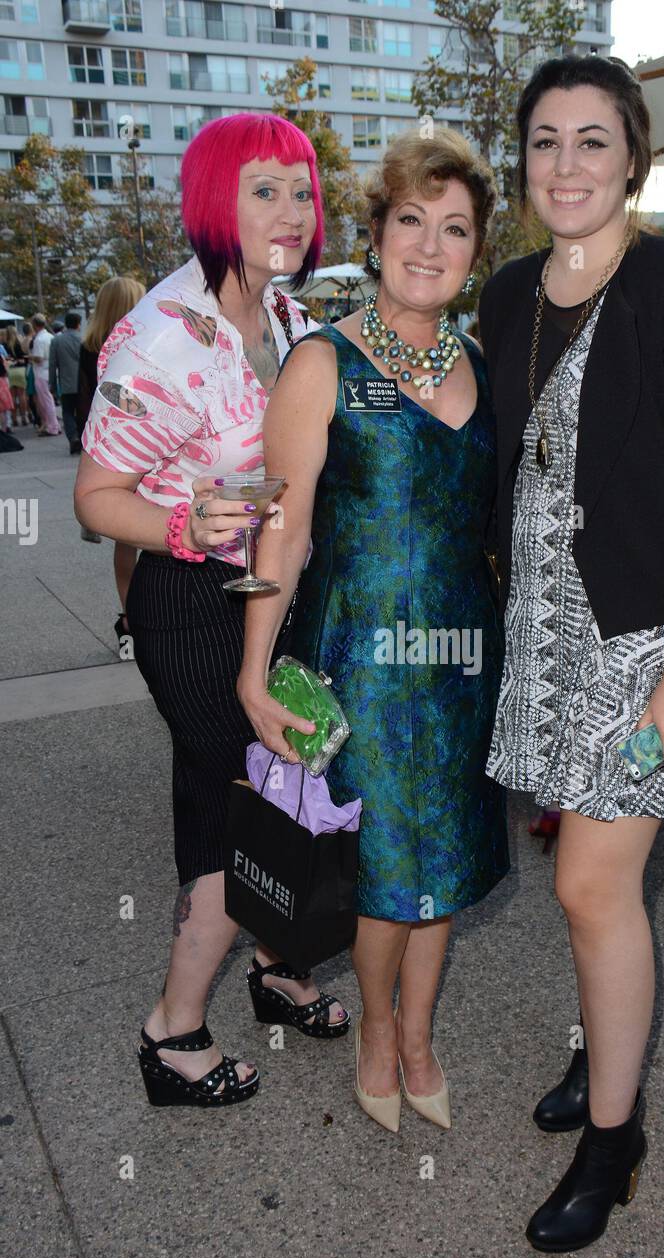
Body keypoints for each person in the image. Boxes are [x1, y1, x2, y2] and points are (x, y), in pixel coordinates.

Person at [479, 55, 664, 1252]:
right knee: (594, 892)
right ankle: (607, 1049)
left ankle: (612, 1138)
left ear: (633, 156)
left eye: (591, 141)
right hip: (547, 633)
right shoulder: (505, 296)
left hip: (651, 638)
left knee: (589, 885)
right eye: (544, 141)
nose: (566, 165)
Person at [74, 112, 350, 1110]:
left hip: (270, 591)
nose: (289, 209)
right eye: (262, 189)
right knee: (240, 801)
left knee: (258, 786)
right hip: (192, 603)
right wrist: (185, 522)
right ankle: (172, 1030)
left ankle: (275, 971)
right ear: (213, 203)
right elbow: (93, 499)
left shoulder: (277, 316)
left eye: (299, 188)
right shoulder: (159, 332)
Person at [238, 128, 509, 1134]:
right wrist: (253, 673)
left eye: (453, 228)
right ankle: (375, 1036)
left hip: (459, 663)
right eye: (410, 221)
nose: (429, 246)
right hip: (358, 657)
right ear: (377, 232)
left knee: (443, 872)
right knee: (386, 869)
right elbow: (283, 526)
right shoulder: (322, 361)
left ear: (476, 247)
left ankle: (421, 1033)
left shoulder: (481, 364)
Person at [75, 277, 147, 623]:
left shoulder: (90, 344)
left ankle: (128, 614)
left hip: (104, 445)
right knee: (145, 530)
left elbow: (83, 396)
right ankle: (142, 614)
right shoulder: (143, 341)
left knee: (124, 539)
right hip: (141, 444)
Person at [49, 311, 83, 454]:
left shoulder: (57, 341)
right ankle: (82, 439)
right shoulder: (83, 339)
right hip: (83, 384)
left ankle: (73, 437)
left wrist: (52, 384)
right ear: (78, 324)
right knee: (82, 412)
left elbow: (52, 364)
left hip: (66, 382)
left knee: (68, 412)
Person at [29, 313, 61, 436]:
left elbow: (39, 358)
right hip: (50, 370)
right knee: (49, 399)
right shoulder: (49, 337)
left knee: (46, 401)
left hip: (41, 371)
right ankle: (53, 425)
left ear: (35, 325)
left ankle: (52, 426)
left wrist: (30, 356)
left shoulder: (39, 339)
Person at [2, 327, 27, 426]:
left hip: (10, 371)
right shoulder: (20, 344)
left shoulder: (4, 345)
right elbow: (24, 358)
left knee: (12, 396)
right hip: (20, 370)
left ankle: (14, 419)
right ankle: (24, 417)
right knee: (22, 395)